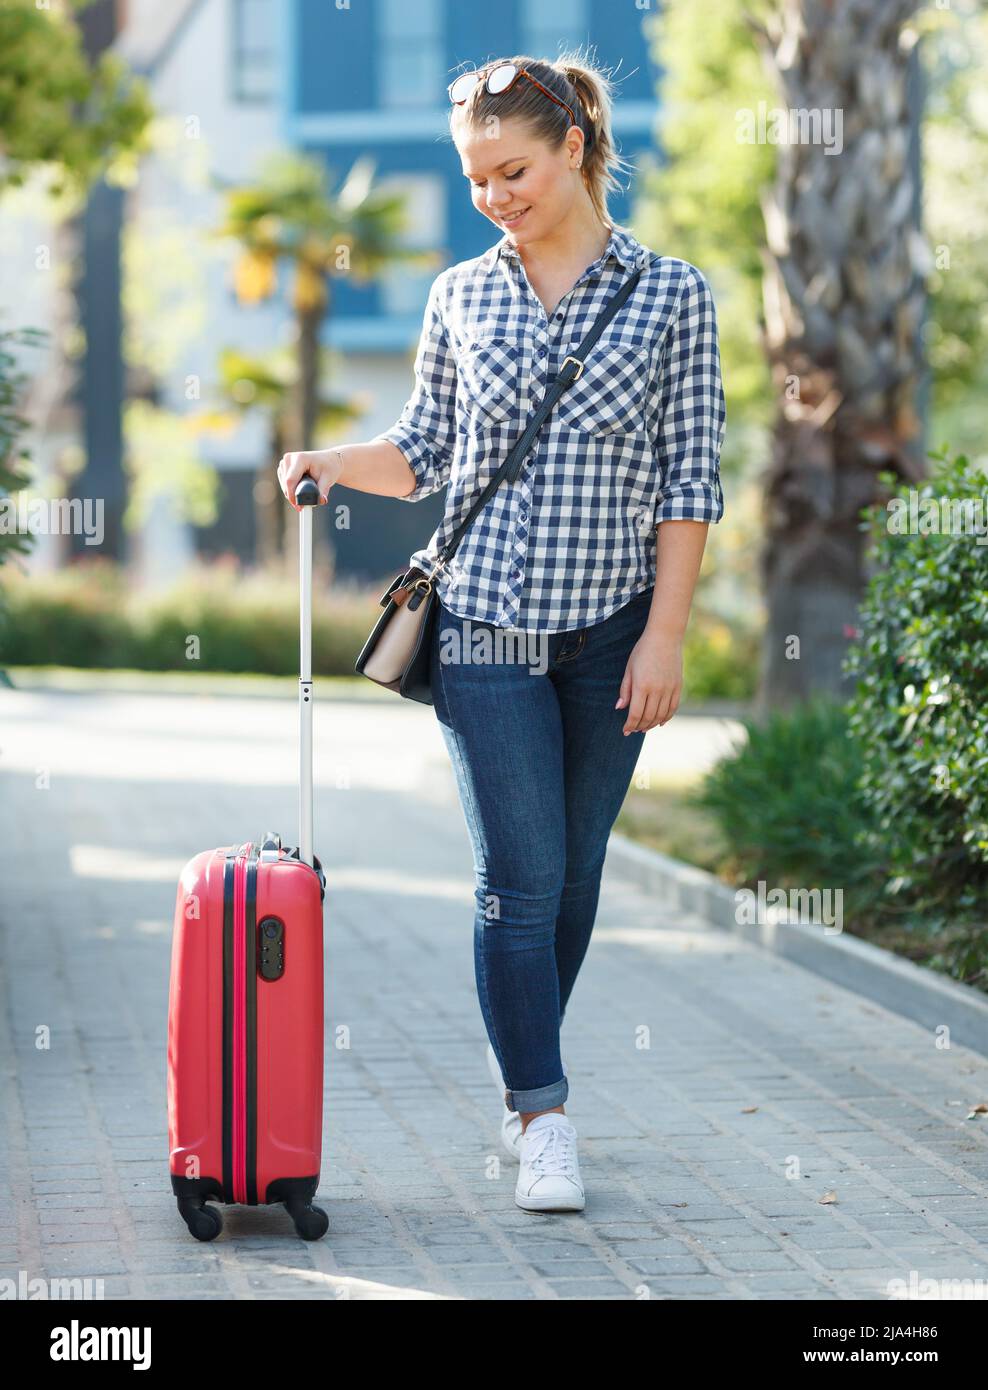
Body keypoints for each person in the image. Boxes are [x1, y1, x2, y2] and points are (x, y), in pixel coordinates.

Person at [278, 51, 726, 1214]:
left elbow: (691, 483)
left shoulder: (673, 294)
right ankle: (543, 1110)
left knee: (572, 878)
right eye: (477, 180)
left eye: (512, 171)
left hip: (611, 629)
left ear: (574, 147)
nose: (495, 198)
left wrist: (664, 636)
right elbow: (422, 448)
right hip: (481, 627)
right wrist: (333, 459)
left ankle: (529, 1058)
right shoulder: (461, 295)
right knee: (515, 882)